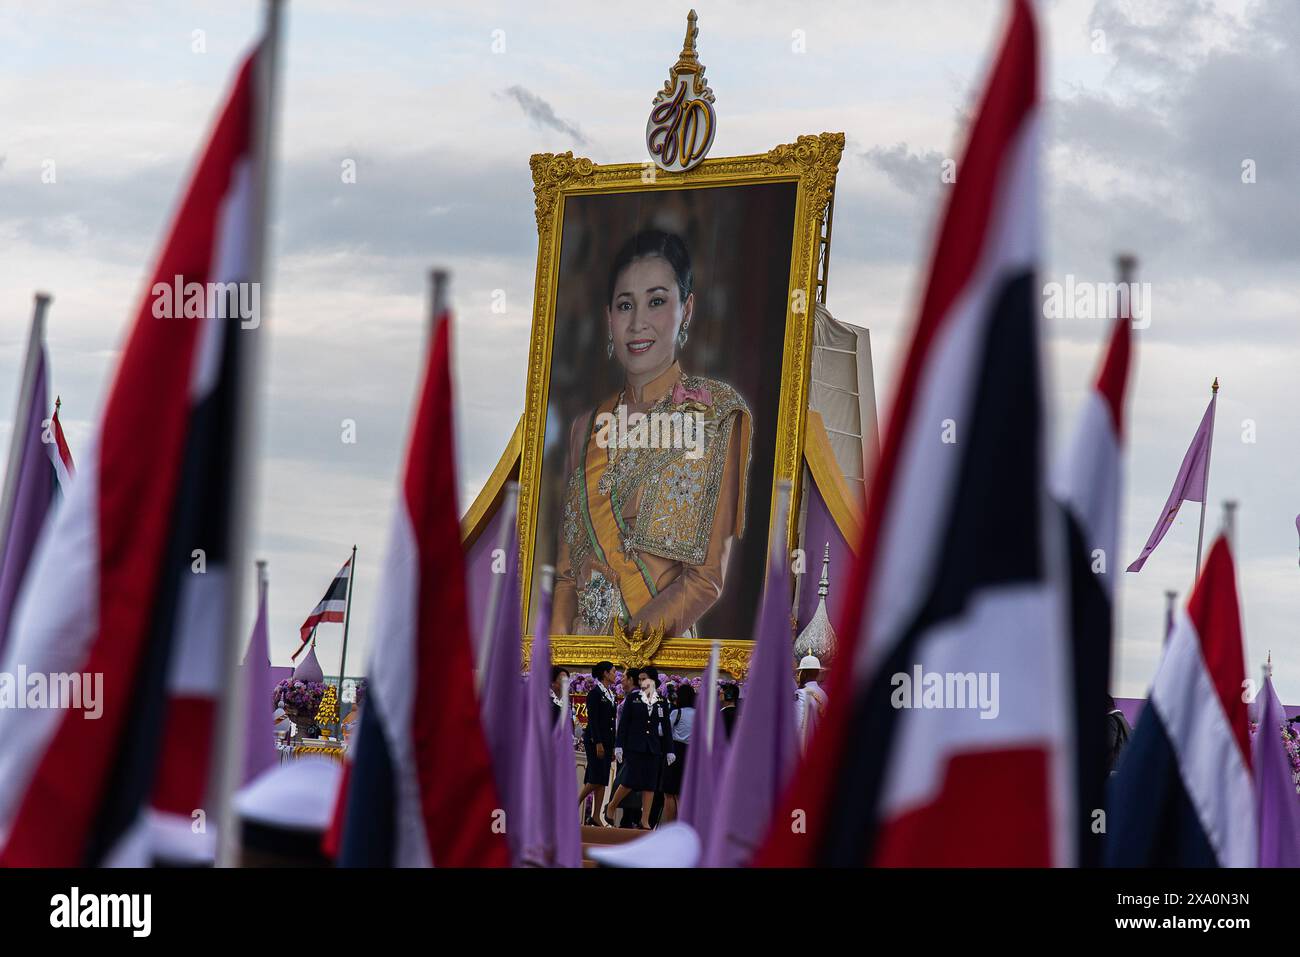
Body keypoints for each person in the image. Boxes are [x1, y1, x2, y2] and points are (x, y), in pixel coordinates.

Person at [551, 229, 754, 639]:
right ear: (609, 317)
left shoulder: (713, 416)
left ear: (687, 309)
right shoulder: (585, 427)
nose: (638, 322)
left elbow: (705, 580)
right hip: (579, 659)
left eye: (657, 302)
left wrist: (621, 660)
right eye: (625, 305)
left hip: (656, 668)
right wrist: (556, 667)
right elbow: (567, 577)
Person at [610, 666, 675, 829]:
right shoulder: (633, 699)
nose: (641, 682)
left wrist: (669, 749)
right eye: (639, 679)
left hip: (653, 747)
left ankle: (644, 820)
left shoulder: (661, 701)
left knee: (650, 784)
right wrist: (619, 746)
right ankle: (612, 805)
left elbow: (666, 727)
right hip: (635, 746)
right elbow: (624, 724)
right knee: (630, 780)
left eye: (644, 678)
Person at [578, 660, 618, 826]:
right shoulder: (594, 693)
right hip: (596, 741)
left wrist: (613, 745)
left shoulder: (610, 693)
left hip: (608, 741)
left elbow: (611, 721)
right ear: (605, 674)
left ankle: (596, 816)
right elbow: (593, 720)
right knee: (595, 778)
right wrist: (598, 742)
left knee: (602, 779)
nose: (615, 675)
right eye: (613, 672)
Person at [659, 684, 694, 822]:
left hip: (674, 752)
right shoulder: (699, 715)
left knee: (669, 792)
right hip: (690, 754)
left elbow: (662, 731)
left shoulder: (676, 713)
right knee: (681, 793)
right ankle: (682, 824)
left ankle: (670, 826)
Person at [795, 655, 828, 751]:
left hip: (804, 748)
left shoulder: (801, 694)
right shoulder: (823, 694)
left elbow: (797, 725)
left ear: (803, 673)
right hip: (818, 747)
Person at [1106, 695, 1132, 775]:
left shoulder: (1111, 719)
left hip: (1112, 769)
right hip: (1122, 767)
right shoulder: (1122, 719)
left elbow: (1109, 744)